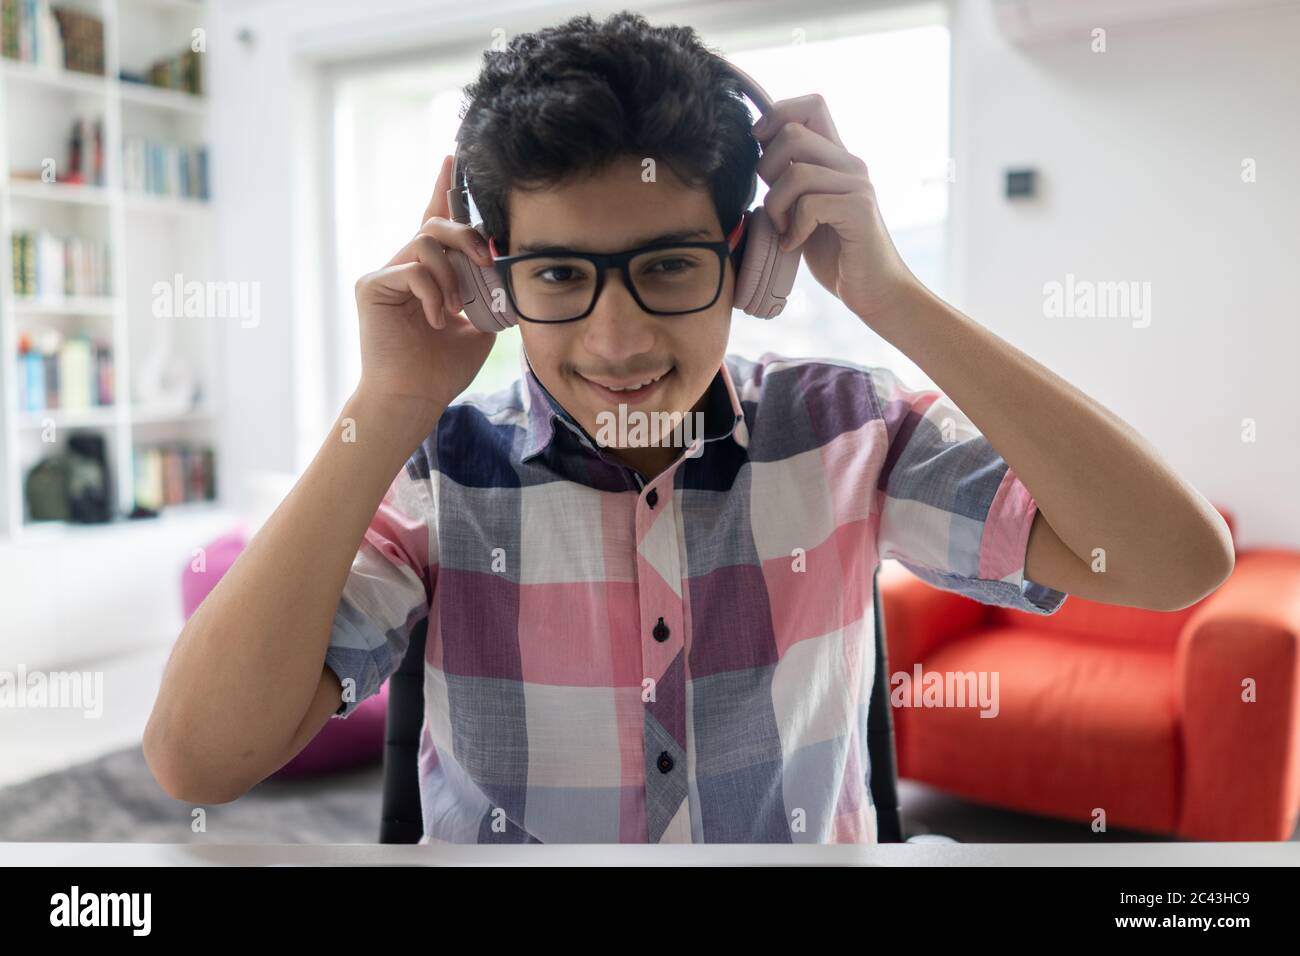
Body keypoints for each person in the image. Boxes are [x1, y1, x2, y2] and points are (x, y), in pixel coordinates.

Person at [144, 10, 1234, 844]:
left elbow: (1173, 560)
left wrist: (892, 293)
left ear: (751, 258)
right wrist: (381, 408)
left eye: (668, 265)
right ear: (495, 282)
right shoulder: (437, 465)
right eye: (560, 274)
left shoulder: (841, 426)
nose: (617, 342)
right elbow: (197, 761)